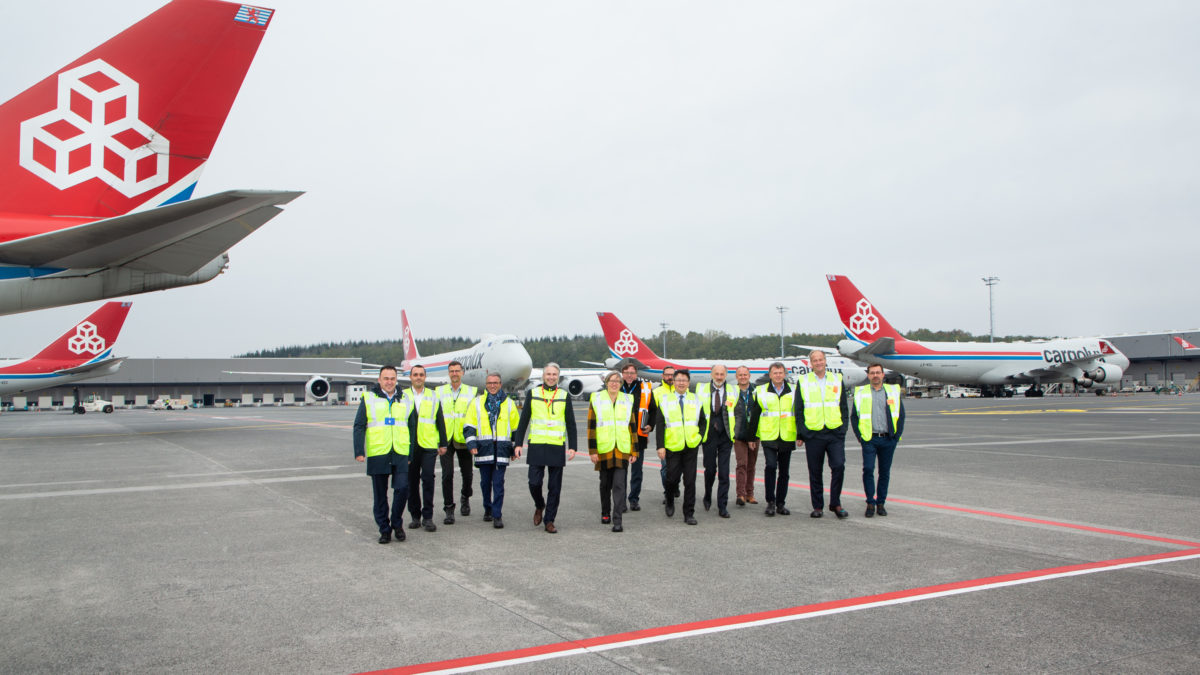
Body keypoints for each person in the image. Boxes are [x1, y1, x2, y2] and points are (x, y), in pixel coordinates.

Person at [352, 365, 413, 543]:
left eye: (392, 378)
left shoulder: (406, 399)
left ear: (396, 380)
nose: (389, 382)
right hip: (378, 451)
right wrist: (359, 450)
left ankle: (396, 523)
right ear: (379, 380)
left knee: (402, 489)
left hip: (400, 450)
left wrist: (410, 453)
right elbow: (359, 425)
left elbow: (412, 426)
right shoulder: (369, 398)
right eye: (386, 378)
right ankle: (384, 529)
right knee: (380, 495)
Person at [514, 363, 577, 534]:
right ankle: (539, 504)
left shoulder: (564, 395)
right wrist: (518, 443)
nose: (551, 377)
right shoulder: (533, 394)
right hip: (537, 444)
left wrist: (573, 447)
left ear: (558, 376)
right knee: (534, 483)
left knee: (554, 487)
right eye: (548, 374)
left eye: (554, 374)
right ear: (543, 376)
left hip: (556, 445)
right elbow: (524, 420)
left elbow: (570, 423)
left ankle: (549, 520)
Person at [796, 350, 851, 519]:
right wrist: (803, 432)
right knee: (815, 471)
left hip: (834, 432)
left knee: (838, 466)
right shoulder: (803, 381)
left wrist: (843, 429)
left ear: (825, 361)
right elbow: (798, 409)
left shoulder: (837, 379)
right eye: (815, 360)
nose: (818, 363)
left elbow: (843, 407)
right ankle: (818, 506)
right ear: (810, 363)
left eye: (821, 359)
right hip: (814, 433)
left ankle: (835, 503)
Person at [464, 372, 521, 528]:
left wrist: (515, 448)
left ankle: (497, 515)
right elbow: (469, 426)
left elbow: (516, 428)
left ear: (500, 384)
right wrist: (472, 444)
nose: (492, 386)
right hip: (484, 448)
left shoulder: (509, 404)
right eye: (490, 383)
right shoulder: (476, 403)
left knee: (498, 483)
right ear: (486, 385)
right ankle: (487, 508)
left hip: (502, 448)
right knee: (485, 483)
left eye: (495, 383)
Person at [850, 363, 905, 517]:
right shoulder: (861, 392)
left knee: (884, 472)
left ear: (883, 375)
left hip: (888, 439)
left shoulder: (892, 391)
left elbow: (901, 414)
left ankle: (881, 502)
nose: (875, 375)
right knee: (868, 469)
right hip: (869, 439)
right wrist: (860, 436)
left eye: (878, 372)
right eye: (872, 373)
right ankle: (870, 502)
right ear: (868, 375)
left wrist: (896, 435)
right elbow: (854, 416)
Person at [587, 371, 638, 532]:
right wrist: (593, 451)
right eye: (611, 380)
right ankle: (605, 512)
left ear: (621, 384)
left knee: (619, 484)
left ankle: (618, 520)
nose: (614, 383)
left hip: (622, 448)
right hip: (604, 448)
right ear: (606, 382)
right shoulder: (596, 399)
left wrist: (634, 451)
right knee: (605, 484)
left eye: (618, 381)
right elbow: (591, 427)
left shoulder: (628, 399)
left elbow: (632, 427)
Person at [747, 362, 798, 516]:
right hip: (769, 435)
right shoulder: (760, 391)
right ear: (770, 375)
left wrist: (800, 435)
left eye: (780, 372)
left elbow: (799, 413)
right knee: (770, 467)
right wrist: (751, 437)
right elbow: (754, 415)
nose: (778, 375)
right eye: (775, 373)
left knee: (784, 472)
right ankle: (770, 501)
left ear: (785, 374)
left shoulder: (794, 391)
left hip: (787, 435)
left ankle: (781, 503)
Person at [656, 369, 706, 525]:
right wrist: (660, 446)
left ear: (688, 382)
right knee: (672, 479)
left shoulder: (696, 399)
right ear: (674, 381)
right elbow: (660, 424)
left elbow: (703, 421)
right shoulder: (665, 400)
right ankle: (669, 500)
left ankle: (689, 513)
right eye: (678, 380)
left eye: (684, 380)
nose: (682, 383)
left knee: (690, 481)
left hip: (691, 445)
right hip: (673, 446)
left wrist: (699, 437)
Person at [404, 364, 448, 532]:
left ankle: (428, 517)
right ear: (410, 377)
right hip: (409, 445)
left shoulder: (433, 395)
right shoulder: (404, 395)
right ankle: (415, 516)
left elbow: (440, 420)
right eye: (415, 374)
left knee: (428, 480)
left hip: (429, 445)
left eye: (421, 374)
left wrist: (443, 442)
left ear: (425, 377)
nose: (418, 377)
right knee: (411, 482)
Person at [435, 361, 477, 524]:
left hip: (463, 438)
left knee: (467, 474)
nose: (454, 374)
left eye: (457, 371)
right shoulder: (439, 391)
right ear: (448, 373)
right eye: (451, 371)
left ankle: (465, 496)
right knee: (447, 474)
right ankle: (449, 508)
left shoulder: (471, 391)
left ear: (462, 373)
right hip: (445, 438)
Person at [696, 364, 737, 518]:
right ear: (711, 374)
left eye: (722, 374)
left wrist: (736, 432)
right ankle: (707, 494)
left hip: (726, 434)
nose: (719, 377)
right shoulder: (701, 389)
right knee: (710, 469)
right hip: (709, 434)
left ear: (726, 375)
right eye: (717, 374)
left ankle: (722, 505)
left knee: (724, 473)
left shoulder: (733, 390)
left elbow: (737, 412)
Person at [618, 362, 656, 512]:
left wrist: (650, 426)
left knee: (637, 470)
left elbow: (653, 410)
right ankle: (620, 500)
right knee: (621, 471)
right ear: (622, 373)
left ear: (636, 374)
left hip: (638, 435)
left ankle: (634, 499)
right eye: (626, 372)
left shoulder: (645, 388)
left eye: (632, 372)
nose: (629, 375)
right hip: (621, 435)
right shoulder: (616, 387)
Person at [731, 365, 760, 507]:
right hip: (739, 434)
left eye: (745, 375)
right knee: (742, 463)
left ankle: (750, 493)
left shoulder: (757, 391)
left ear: (749, 376)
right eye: (740, 375)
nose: (743, 377)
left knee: (752, 465)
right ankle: (740, 494)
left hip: (754, 433)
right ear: (736, 377)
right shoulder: (732, 392)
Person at [653, 365, 677, 504]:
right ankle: (668, 491)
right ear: (663, 376)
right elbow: (653, 414)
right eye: (667, 375)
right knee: (665, 467)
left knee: (678, 468)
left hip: (679, 435)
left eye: (672, 375)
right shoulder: (656, 392)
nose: (669, 377)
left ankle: (674, 486)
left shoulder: (681, 390)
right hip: (664, 435)